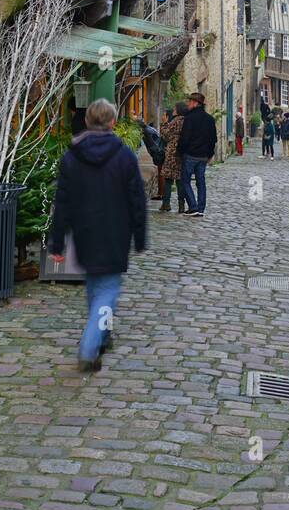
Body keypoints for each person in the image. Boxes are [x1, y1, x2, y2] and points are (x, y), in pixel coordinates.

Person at [49, 98, 147, 372]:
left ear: (88, 121)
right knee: (106, 291)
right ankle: (90, 347)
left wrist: (57, 241)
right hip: (115, 232)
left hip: (85, 232)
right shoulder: (124, 156)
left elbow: (63, 202)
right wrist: (139, 236)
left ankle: (103, 335)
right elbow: (136, 200)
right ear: (113, 122)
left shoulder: (72, 156)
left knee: (95, 286)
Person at [178, 91, 217, 219]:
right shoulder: (210, 119)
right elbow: (213, 139)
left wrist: (180, 151)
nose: (188, 104)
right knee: (201, 182)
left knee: (185, 181)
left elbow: (185, 138)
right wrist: (210, 154)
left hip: (190, 155)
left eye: (190, 101)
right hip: (203, 156)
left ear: (195, 103)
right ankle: (200, 208)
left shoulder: (189, 118)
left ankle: (193, 207)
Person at [159, 103, 187, 212]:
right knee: (180, 180)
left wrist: (164, 124)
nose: (173, 110)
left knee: (168, 180)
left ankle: (166, 204)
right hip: (182, 153)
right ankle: (181, 205)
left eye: (175, 109)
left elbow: (166, 135)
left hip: (172, 153)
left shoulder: (174, 122)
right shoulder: (186, 121)